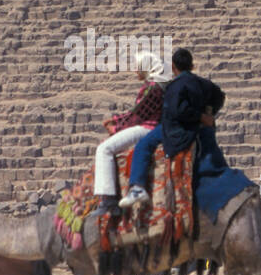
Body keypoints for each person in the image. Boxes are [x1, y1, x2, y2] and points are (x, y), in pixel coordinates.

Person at [119, 48, 224, 209]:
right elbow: (219, 95)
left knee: (143, 145)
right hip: (199, 129)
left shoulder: (173, 86)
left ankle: (137, 187)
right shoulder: (203, 83)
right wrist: (208, 114)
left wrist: (199, 117)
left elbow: (177, 111)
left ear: (173, 66)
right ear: (192, 66)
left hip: (178, 130)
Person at [94, 52, 171, 216]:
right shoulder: (159, 84)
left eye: (138, 67)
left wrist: (116, 127)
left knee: (104, 149)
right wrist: (116, 120)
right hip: (151, 126)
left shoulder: (153, 88)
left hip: (147, 128)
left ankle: (108, 201)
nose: (136, 71)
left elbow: (137, 116)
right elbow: (136, 113)